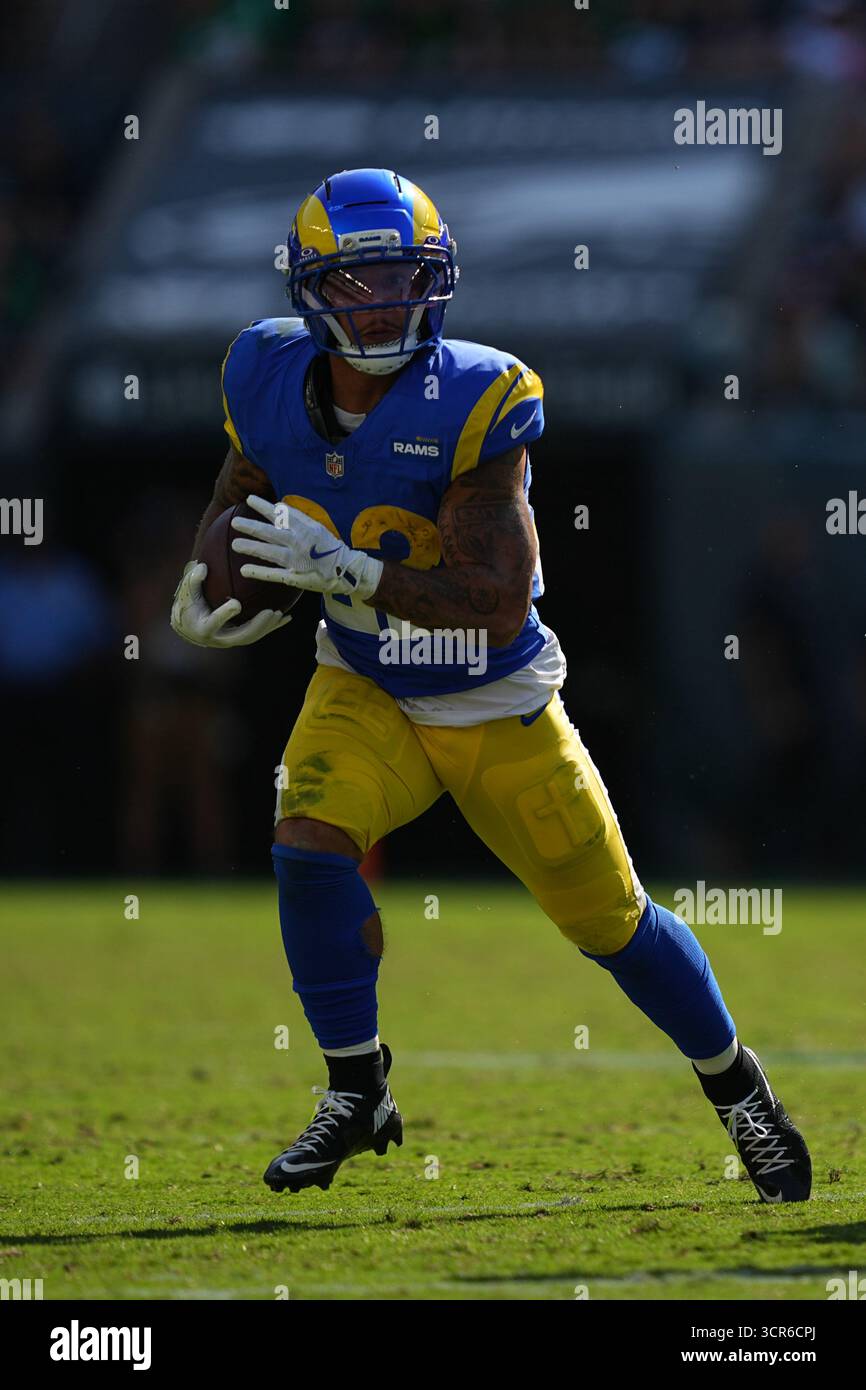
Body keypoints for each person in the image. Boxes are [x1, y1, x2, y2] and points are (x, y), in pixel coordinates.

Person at [171, 167, 811, 1202]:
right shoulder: (259, 371)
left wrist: (350, 572)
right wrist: (206, 572)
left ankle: (738, 1090)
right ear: (310, 290)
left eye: (400, 278)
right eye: (355, 282)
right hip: (366, 679)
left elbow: (497, 601)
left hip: (491, 700)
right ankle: (356, 1087)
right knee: (307, 839)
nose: (379, 301)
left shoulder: (477, 394)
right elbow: (243, 482)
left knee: (611, 923)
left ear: (436, 282)